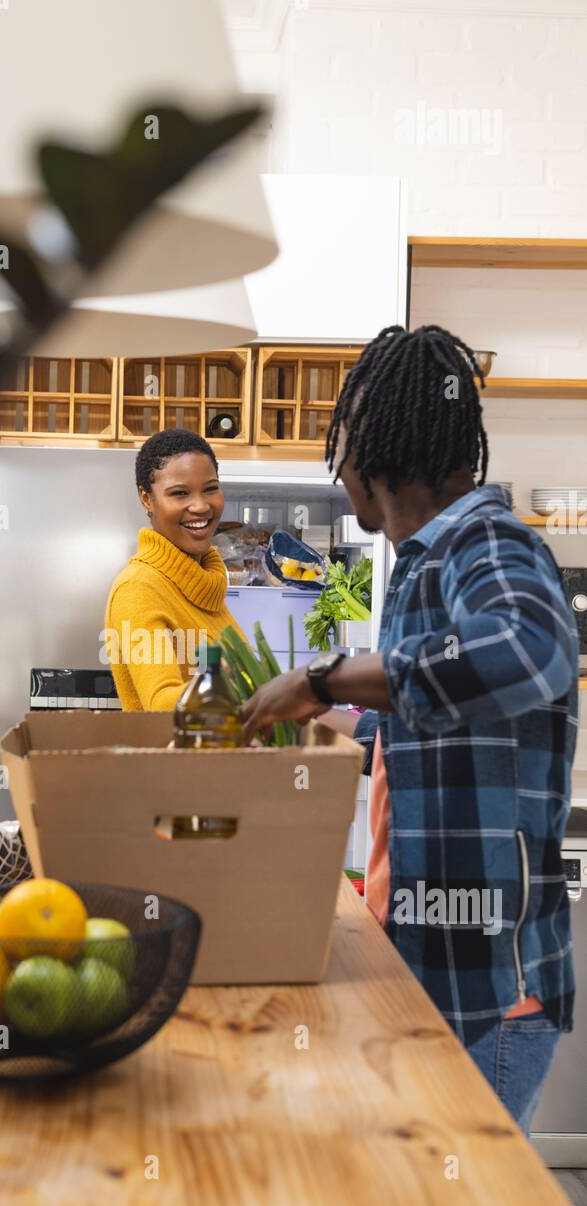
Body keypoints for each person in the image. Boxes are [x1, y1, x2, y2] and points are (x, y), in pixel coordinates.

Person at [241, 323, 579, 1133]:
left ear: (371, 451)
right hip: (439, 967)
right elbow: (438, 733)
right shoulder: (427, 560)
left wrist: (324, 679)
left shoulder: (483, 541)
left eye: (344, 441)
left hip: (490, 989)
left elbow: (531, 650)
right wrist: (322, 738)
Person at [104, 429, 243, 710]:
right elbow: (161, 705)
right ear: (146, 498)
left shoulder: (204, 581)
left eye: (210, 488)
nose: (201, 506)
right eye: (179, 493)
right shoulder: (139, 589)